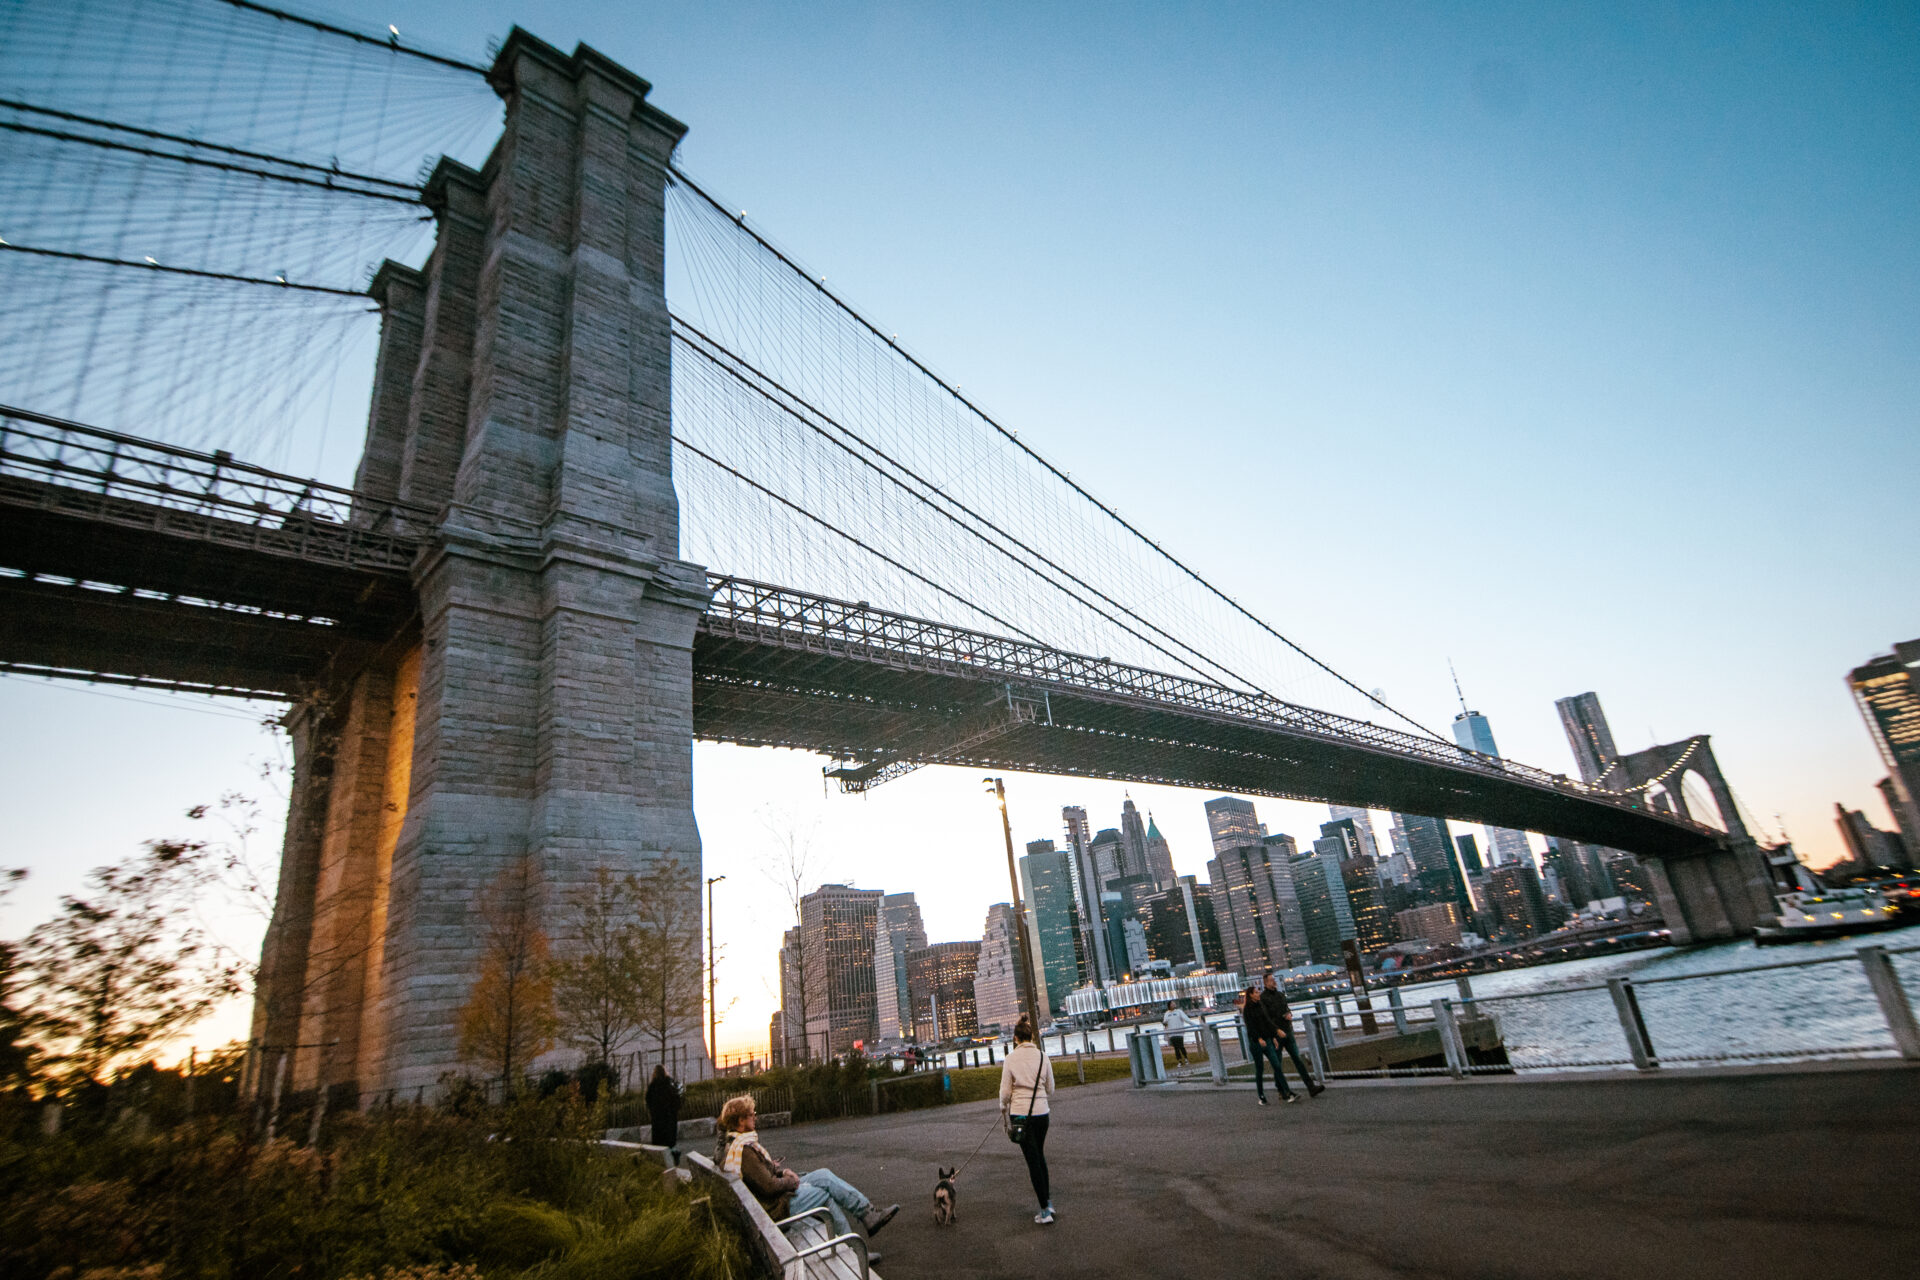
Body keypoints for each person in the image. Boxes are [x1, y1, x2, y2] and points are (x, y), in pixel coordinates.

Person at [715, 1094, 900, 1251]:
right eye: (751, 1114)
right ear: (740, 1120)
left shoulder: (737, 1146)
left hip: (772, 1201)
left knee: (823, 1175)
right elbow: (769, 1187)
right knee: (824, 1195)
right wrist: (790, 1180)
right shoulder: (743, 1151)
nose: (755, 1116)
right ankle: (852, 1250)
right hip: (776, 1208)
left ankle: (868, 1214)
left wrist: (783, 1172)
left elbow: (762, 1175)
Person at [998, 1015, 1058, 1225]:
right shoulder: (1043, 1057)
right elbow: (1050, 1088)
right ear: (1031, 1037)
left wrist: (1003, 1107)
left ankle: (1044, 1211)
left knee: (1033, 1161)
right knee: (1039, 1157)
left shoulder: (1010, 1059)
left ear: (1015, 1039)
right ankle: (1048, 1203)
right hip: (1042, 1114)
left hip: (1021, 1114)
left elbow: (1005, 1092)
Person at [1261, 973, 1326, 1097]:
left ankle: (1311, 1087)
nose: (1273, 982)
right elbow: (1266, 1017)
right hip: (1277, 1034)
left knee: (1298, 1059)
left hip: (1287, 1031)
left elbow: (1286, 1008)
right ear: (1265, 983)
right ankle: (1280, 1089)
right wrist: (1275, 1031)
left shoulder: (1280, 995)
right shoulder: (1263, 998)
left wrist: (1289, 1014)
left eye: (1273, 980)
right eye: (1270, 980)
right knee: (1278, 1062)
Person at [1238, 983, 1297, 1105]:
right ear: (1250, 995)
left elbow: (1267, 1022)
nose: (1258, 994)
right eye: (1256, 992)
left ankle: (1288, 1092)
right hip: (1256, 1044)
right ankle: (1261, 1096)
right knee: (1260, 1070)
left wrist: (1274, 1035)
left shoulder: (1260, 1006)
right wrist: (1259, 1038)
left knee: (1277, 1066)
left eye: (1259, 992)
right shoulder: (1247, 1010)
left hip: (1268, 1040)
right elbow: (1251, 1027)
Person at [645, 1063, 682, 1156]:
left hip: (658, 1117)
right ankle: (673, 1154)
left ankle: (661, 1158)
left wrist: (652, 1112)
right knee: (670, 1139)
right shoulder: (670, 1083)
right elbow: (677, 1097)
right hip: (670, 1116)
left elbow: (648, 1100)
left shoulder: (653, 1086)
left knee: (659, 1140)